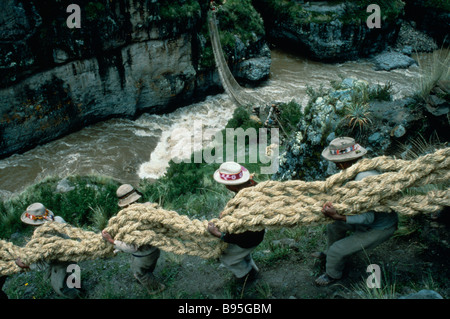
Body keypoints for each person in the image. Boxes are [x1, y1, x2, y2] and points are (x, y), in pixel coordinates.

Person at [314, 137, 398, 286]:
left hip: (378, 227)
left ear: (343, 161)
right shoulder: (357, 168)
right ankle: (329, 256)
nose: (335, 164)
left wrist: (338, 215)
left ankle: (332, 274)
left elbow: (368, 217)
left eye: (336, 161)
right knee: (333, 226)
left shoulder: (364, 178)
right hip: (368, 219)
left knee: (337, 250)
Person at [207, 162, 265, 286]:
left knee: (228, 258)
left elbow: (243, 235)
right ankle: (251, 268)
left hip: (249, 239)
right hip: (255, 235)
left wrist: (220, 235)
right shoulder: (253, 187)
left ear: (230, 186)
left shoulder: (245, 204)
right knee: (241, 253)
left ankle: (247, 278)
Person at [101, 184, 165, 295]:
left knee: (140, 273)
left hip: (143, 255)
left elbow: (132, 248)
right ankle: (148, 275)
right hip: (155, 249)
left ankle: (157, 288)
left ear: (123, 204)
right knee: (149, 267)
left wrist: (111, 241)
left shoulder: (128, 222)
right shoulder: (149, 206)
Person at [15, 203, 82, 299]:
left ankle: (77, 296)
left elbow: (44, 263)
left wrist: (26, 264)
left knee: (63, 287)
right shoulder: (58, 220)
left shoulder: (46, 238)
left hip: (61, 263)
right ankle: (78, 288)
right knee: (74, 275)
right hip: (73, 255)